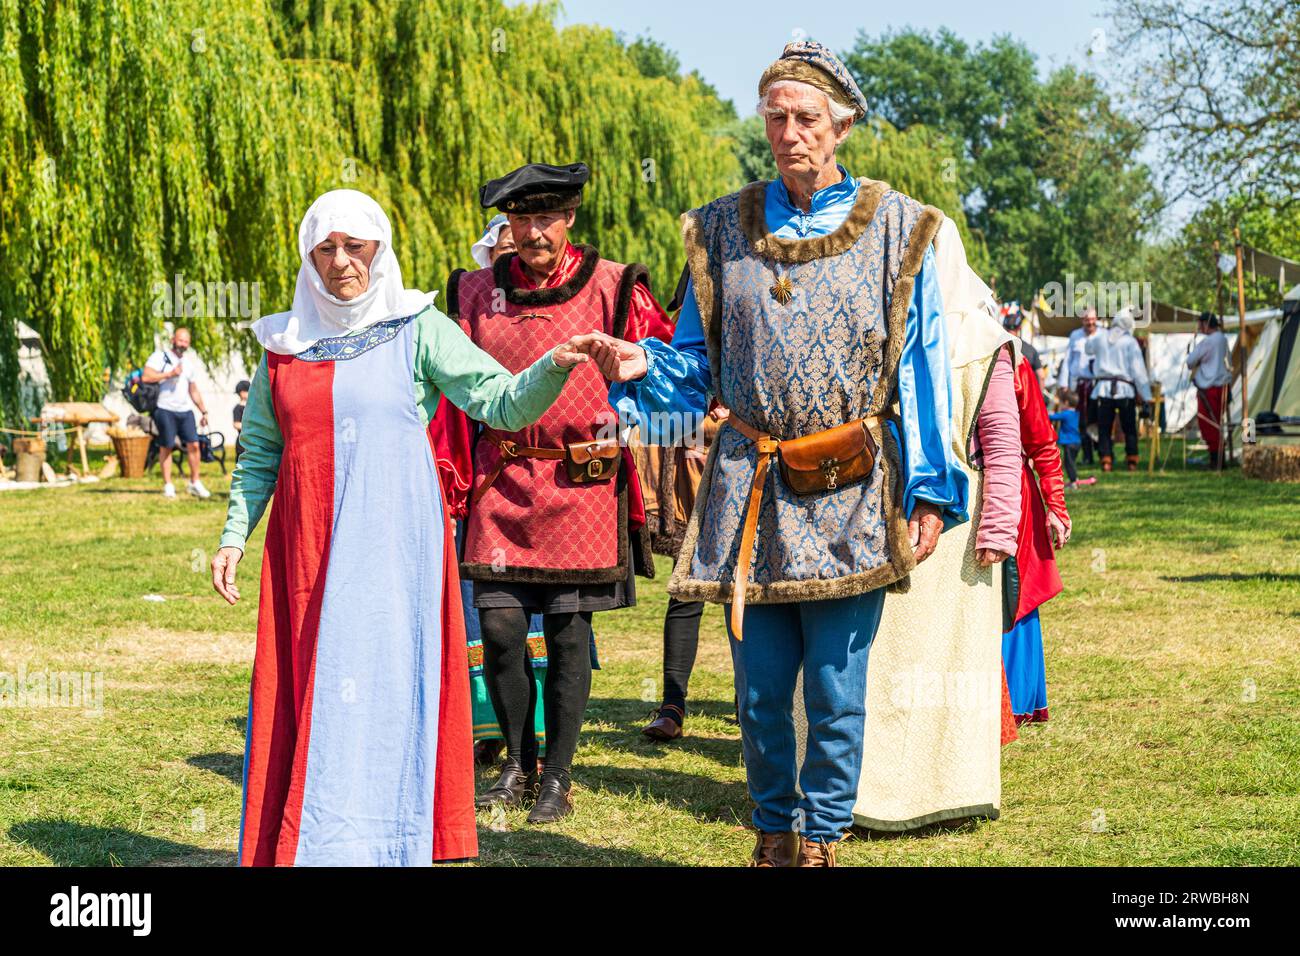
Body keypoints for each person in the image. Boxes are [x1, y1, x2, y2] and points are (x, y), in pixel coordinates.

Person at [588, 41, 970, 866]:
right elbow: (694, 368)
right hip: (749, 486)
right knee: (760, 691)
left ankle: (823, 838)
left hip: (850, 488)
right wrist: (640, 362)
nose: (789, 133)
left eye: (805, 118)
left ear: (840, 126)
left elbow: (922, 366)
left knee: (834, 691)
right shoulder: (721, 229)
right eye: (775, 118)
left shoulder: (899, 230)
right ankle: (772, 835)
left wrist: (932, 488)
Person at [209, 189, 590, 866]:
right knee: (319, 682)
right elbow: (262, 451)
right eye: (325, 248)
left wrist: (552, 366)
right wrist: (235, 535)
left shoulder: (418, 325)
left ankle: (391, 837)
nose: (341, 261)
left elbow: (497, 401)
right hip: (306, 548)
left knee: (387, 680)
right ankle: (320, 837)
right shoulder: (281, 345)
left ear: (379, 248)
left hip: (393, 545)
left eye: (355, 246)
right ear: (308, 257)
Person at [447, 162, 674, 824]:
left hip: (582, 486)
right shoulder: (474, 292)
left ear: (569, 217)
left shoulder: (612, 285)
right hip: (501, 481)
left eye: (545, 218)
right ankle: (518, 763)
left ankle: (559, 776)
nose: (533, 231)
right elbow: (449, 389)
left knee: (570, 636)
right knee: (499, 630)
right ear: (506, 224)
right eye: (520, 219)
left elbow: (665, 367)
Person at [807, 219, 1024, 834]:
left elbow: (1001, 446)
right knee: (873, 661)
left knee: (947, 671)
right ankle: (866, 793)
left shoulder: (985, 343)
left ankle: (945, 788)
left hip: (956, 526)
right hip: (875, 512)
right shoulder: (881, 331)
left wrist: (998, 532)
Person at [1002, 349, 1073, 724]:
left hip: (1013, 494)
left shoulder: (1011, 360)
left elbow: (1041, 441)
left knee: (1017, 590)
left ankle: (1016, 700)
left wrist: (1055, 504)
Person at [142, 326, 212, 499]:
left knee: (194, 445)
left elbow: (193, 390)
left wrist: (203, 411)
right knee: (167, 446)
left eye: (186, 341)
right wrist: (170, 373)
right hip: (164, 408)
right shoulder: (159, 357)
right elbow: (146, 377)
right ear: (173, 340)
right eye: (181, 340)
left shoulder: (188, 364)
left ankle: (194, 482)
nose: (183, 344)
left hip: (185, 410)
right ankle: (168, 485)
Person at [1087, 308, 1151, 472]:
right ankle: (1131, 460)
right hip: (1124, 391)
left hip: (1104, 390)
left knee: (1104, 428)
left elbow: (1088, 348)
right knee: (1129, 426)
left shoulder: (1100, 337)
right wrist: (1146, 396)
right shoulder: (1129, 342)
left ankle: (1106, 460)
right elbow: (1139, 371)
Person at [1187, 311, 1232, 467]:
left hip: (1210, 388)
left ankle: (1216, 460)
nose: (1199, 327)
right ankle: (1218, 458)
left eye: (1201, 324)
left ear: (1206, 324)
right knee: (1216, 422)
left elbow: (1190, 361)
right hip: (1222, 386)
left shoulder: (1209, 341)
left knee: (1208, 424)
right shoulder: (1223, 339)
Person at [1057, 307, 1100, 464]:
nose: (1090, 322)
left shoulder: (1103, 335)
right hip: (1079, 385)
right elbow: (1068, 361)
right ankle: (1087, 456)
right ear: (1082, 320)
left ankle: (1103, 455)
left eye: (1092, 319)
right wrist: (1064, 384)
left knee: (1098, 419)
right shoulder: (1075, 336)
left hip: (1097, 384)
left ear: (1096, 319)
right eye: (1087, 319)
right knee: (1081, 422)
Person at [1050, 389, 1082, 487]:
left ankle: (1073, 481)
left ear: (1066, 403)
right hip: (1077, 442)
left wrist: (1049, 413)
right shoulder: (1076, 413)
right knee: (1071, 462)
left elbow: (1052, 417)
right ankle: (1074, 478)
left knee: (1069, 463)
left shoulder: (1066, 414)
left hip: (1069, 442)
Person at [232, 380, 250, 461]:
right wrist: (250, 427)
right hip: (242, 442)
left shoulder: (251, 407)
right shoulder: (238, 408)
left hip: (251, 441)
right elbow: (236, 424)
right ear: (242, 393)